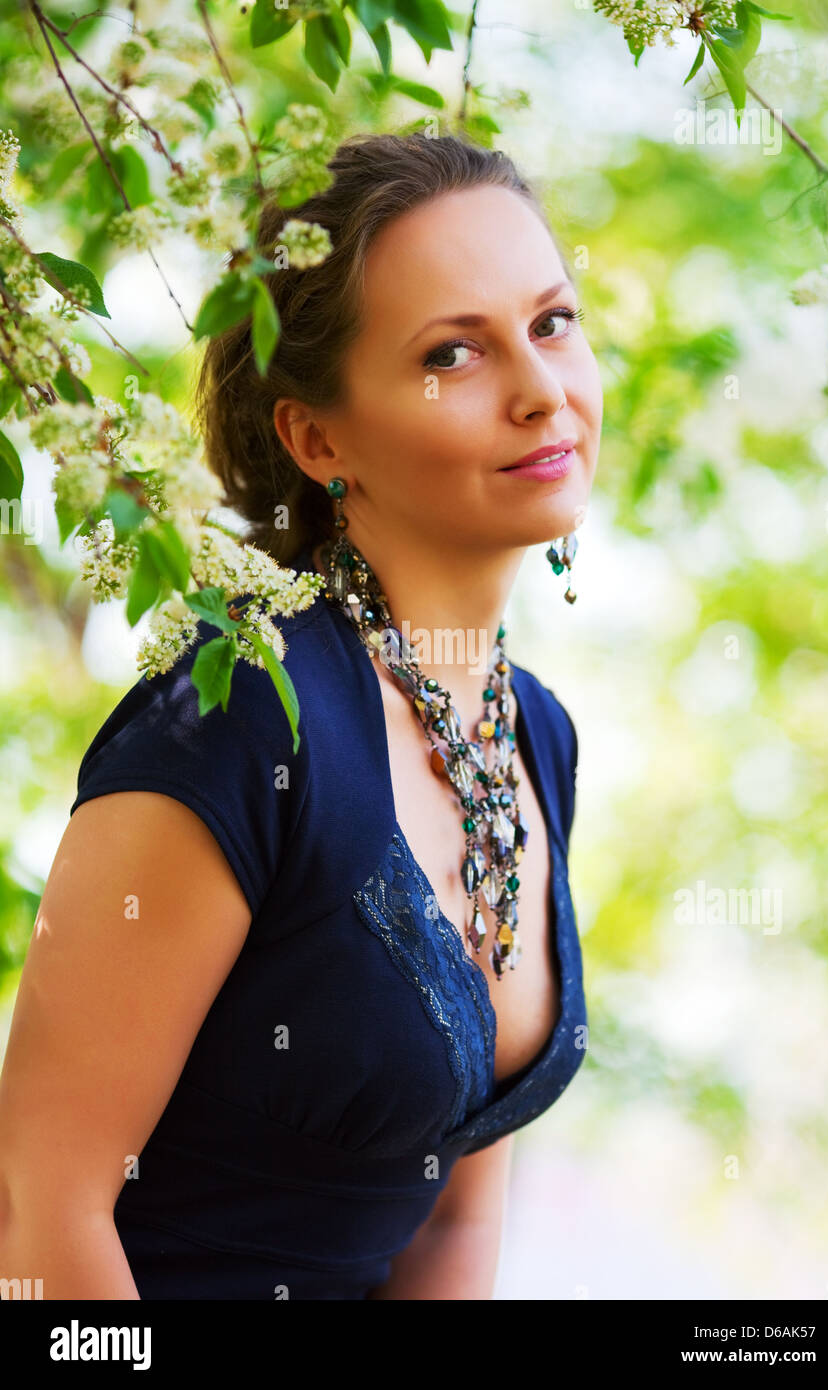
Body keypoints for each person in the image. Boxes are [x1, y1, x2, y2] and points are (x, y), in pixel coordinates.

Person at [0, 131, 602, 1300]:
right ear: (316, 438)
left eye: (551, 322)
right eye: (452, 352)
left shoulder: (535, 736)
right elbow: (38, 1201)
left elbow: (451, 1219)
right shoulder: (237, 713)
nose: (541, 390)